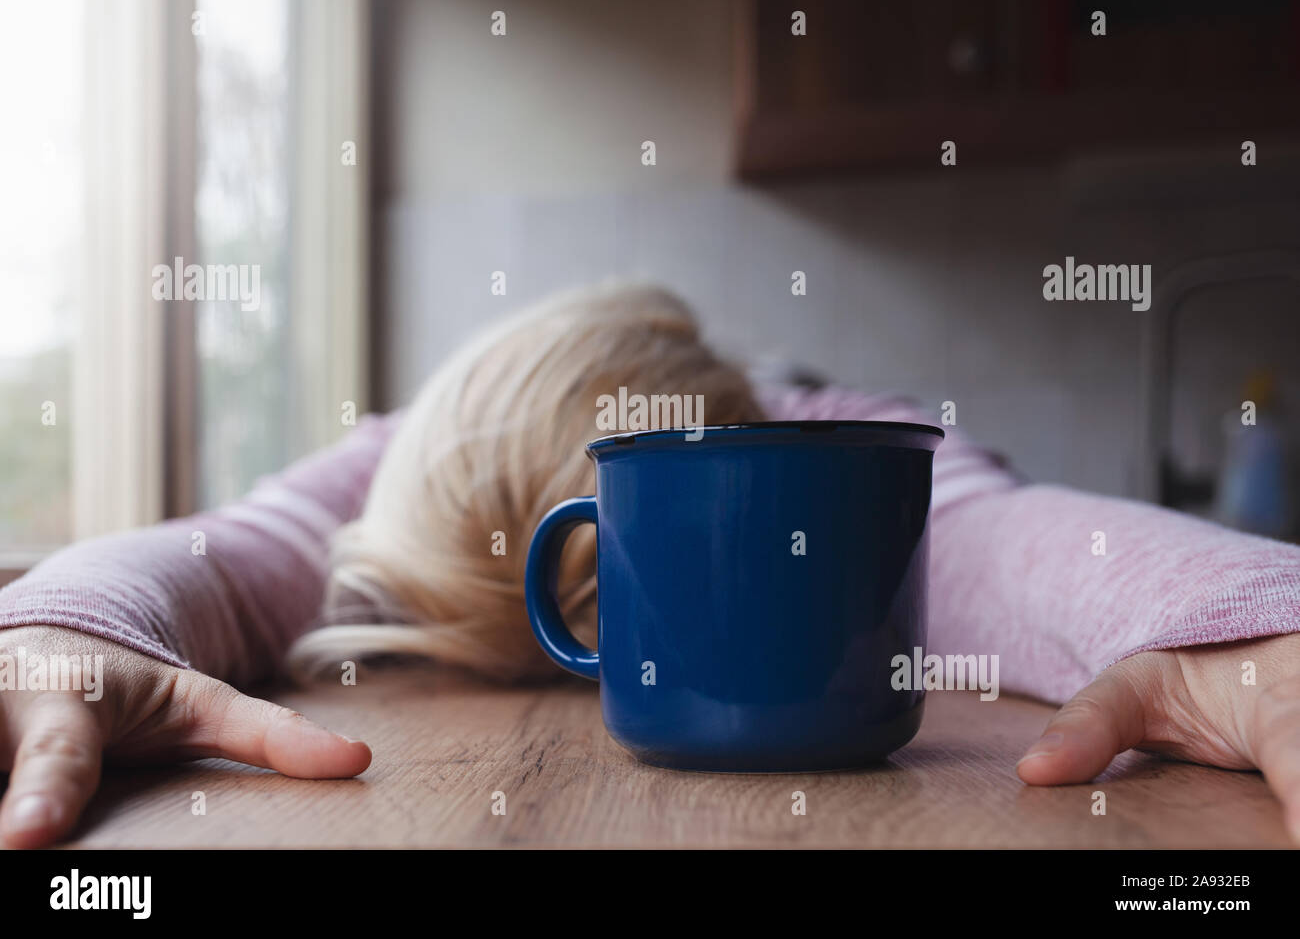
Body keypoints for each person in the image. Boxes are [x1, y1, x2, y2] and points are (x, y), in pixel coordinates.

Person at [1, 284, 1298, 849]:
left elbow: (1001, 541)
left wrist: (1241, 629)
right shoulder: (396, 465)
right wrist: (69, 625)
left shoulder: (826, 437)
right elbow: (226, 553)